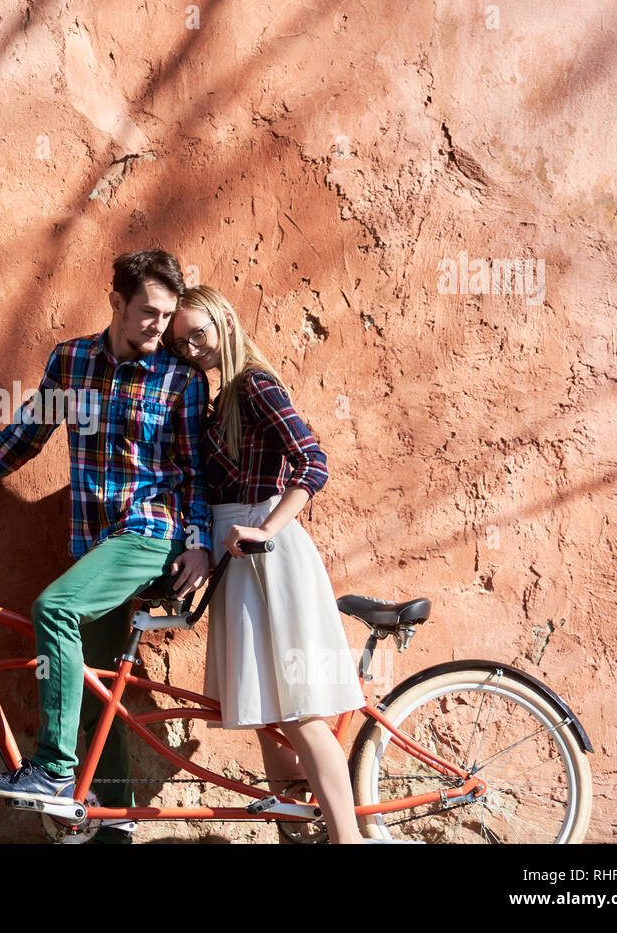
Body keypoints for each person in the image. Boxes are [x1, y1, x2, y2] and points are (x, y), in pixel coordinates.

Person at [0, 250, 213, 843]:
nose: (160, 328)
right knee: (95, 694)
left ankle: (54, 773)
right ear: (116, 301)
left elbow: (196, 474)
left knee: (54, 609)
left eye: (167, 316)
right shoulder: (73, 361)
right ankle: (113, 830)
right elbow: (25, 437)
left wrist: (201, 544)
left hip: (150, 533)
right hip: (95, 546)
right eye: (147, 313)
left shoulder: (181, 379)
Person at [168, 284, 369, 844]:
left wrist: (266, 528)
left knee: (301, 710)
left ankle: (347, 840)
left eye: (198, 334)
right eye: (181, 343)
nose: (191, 350)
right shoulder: (219, 400)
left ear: (226, 321)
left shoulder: (255, 384)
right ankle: (296, 836)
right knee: (268, 714)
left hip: (271, 557)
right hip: (237, 559)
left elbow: (313, 461)